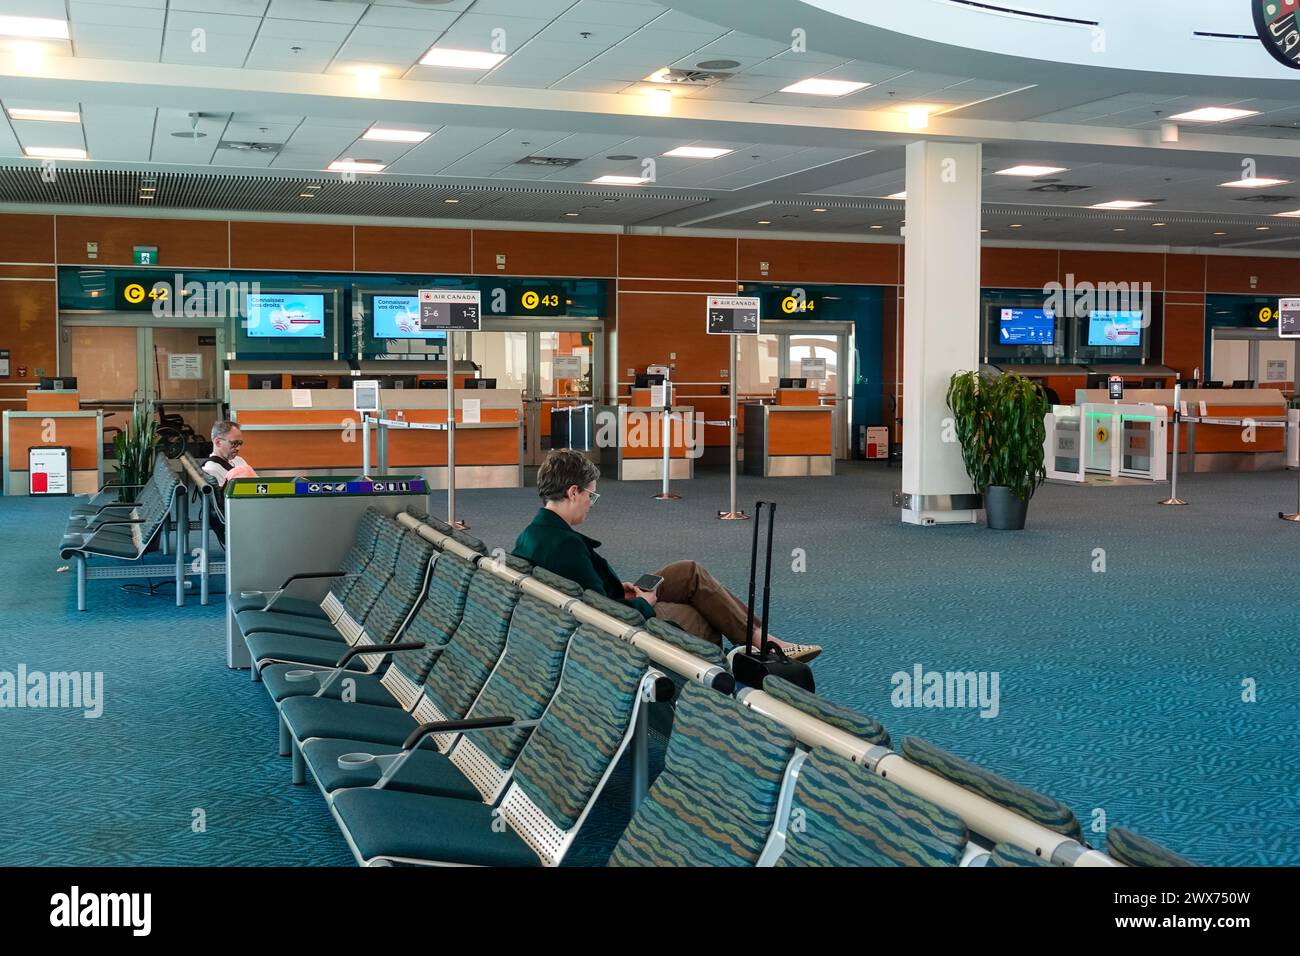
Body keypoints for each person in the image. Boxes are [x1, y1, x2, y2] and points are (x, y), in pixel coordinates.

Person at [513, 449, 821, 662]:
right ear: (572, 492)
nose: (592, 503)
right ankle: (761, 646)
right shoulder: (564, 545)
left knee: (688, 571)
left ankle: (760, 639)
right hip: (621, 622)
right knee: (704, 616)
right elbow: (603, 615)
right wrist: (641, 603)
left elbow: (585, 589)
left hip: (610, 602)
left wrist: (622, 590)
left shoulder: (533, 534)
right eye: (590, 495)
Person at [203, 421, 258, 488]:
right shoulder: (211, 470)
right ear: (218, 442)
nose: (238, 448)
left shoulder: (239, 460)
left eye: (240, 443)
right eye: (234, 443)